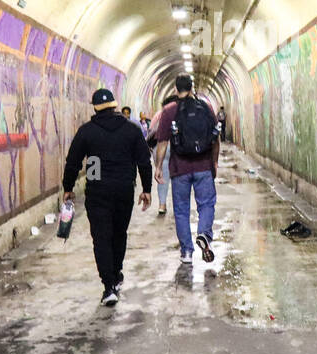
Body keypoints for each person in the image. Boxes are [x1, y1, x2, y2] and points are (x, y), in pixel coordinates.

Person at [62, 88, 152, 306]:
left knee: (101, 238)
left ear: (94, 107)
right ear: (114, 105)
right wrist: (146, 189)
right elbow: (143, 160)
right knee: (119, 233)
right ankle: (117, 273)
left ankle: (108, 285)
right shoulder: (131, 130)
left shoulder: (87, 132)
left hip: (98, 190)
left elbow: (73, 161)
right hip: (124, 189)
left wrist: (68, 186)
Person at [153, 75, 220, 264]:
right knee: (206, 204)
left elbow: (163, 142)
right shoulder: (205, 107)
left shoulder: (169, 111)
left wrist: (158, 167)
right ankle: (204, 234)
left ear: (175, 89)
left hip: (179, 168)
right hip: (203, 166)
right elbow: (215, 138)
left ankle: (187, 252)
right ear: (192, 88)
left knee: (181, 210)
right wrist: (214, 162)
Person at [147, 94, 177, 217]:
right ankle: (178, 206)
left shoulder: (159, 114)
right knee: (178, 179)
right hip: (176, 148)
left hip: (159, 148)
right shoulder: (180, 113)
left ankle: (162, 205)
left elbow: (151, 131)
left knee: (162, 177)